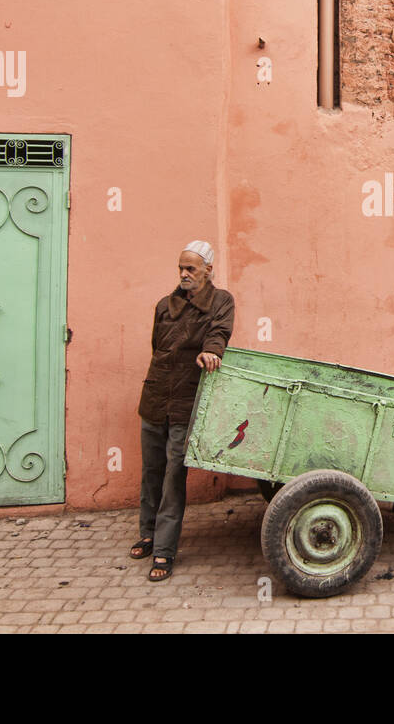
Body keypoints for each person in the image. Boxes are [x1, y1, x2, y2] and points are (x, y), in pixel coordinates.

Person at [131, 240, 235, 581]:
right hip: (155, 396)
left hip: (186, 401)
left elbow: (219, 333)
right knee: (151, 471)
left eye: (191, 268)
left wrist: (211, 351)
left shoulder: (221, 301)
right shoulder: (164, 305)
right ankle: (147, 532)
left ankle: (163, 550)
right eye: (181, 268)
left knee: (174, 476)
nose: (184, 274)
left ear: (208, 269)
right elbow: (156, 349)